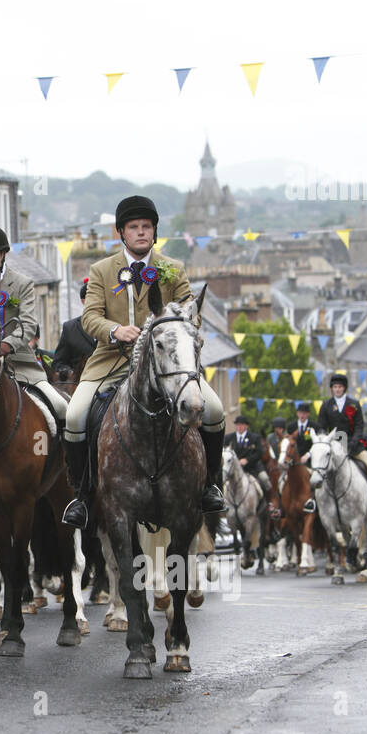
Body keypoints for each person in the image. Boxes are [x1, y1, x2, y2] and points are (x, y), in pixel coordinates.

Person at [60, 195, 227, 528]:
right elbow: (90, 317)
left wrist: (174, 328)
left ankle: (210, 486)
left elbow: (191, 315)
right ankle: (83, 495)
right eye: (134, 227)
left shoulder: (172, 269)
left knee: (215, 410)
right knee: (75, 415)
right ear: (122, 232)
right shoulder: (102, 270)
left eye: (146, 227)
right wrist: (115, 330)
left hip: (165, 365)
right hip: (111, 362)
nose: (140, 233)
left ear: (154, 231)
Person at [0, 224, 68, 424]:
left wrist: (7, 345)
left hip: (19, 364)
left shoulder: (22, 283)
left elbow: (27, 323)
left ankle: (64, 455)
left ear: (3, 253)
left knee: (61, 407)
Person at [316, 373, 367, 518]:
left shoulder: (354, 404)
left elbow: (359, 426)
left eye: (340, 387)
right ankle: (312, 500)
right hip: (333, 445)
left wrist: (353, 442)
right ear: (332, 389)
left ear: (344, 388)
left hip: (353, 444)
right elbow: (321, 426)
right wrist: (323, 440)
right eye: (335, 387)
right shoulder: (326, 405)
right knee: (316, 467)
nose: (337, 389)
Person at [52, 277, 96, 383]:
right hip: (82, 382)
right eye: (93, 298)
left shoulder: (115, 325)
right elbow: (59, 363)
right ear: (83, 301)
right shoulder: (70, 328)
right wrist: (71, 373)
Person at [225, 414, 270, 494]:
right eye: (237, 425)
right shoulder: (228, 438)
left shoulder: (255, 438)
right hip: (233, 468)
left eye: (241, 425)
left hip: (252, 467)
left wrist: (247, 460)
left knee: (264, 479)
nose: (239, 427)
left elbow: (259, 453)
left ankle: (267, 503)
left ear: (246, 426)